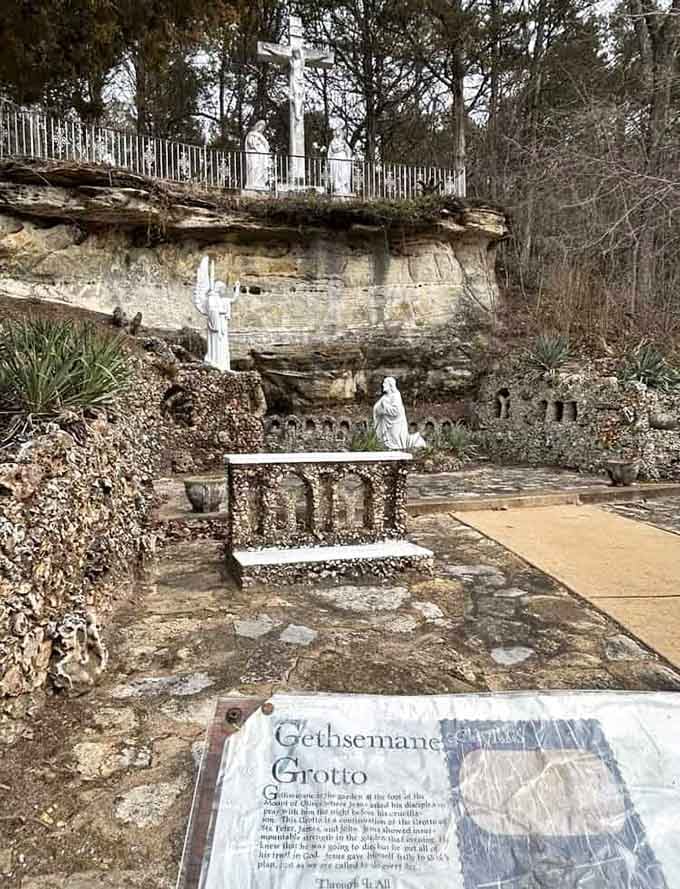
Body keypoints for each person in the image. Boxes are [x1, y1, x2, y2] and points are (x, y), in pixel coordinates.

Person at [373, 377, 426, 450]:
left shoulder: (396, 395)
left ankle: (415, 441)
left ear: (390, 385)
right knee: (389, 439)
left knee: (396, 438)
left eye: (385, 383)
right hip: (387, 423)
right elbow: (377, 407)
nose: (383, 385)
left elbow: (396, 411)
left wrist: (385, 407)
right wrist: (379, 409)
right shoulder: (384, 397)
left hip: (396, 422)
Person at [245, 120, 271, 190]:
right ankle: (252, 183)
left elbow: (266, 145)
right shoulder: (251, 134)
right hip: (254, 153)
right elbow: (250, 142)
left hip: (261, 155)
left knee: (261, 168)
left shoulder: (262, 136)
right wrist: (257, 144)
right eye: (260, 126)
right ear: (257, 126)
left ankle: (260, 183)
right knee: (254, 167)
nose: (261, 128)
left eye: (263, 127)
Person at [328, 124, 353, 195]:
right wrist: (342, 148)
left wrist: (347, 155)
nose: (338, 133)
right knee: (337, 174)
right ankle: (338, 188)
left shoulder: (344, 142)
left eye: (339, 131)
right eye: (337, 131)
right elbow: (333, 149)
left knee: (344, 174)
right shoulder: (333, 141)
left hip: (343, 159)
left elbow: (349, 151)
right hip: (336, 159)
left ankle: (344, 188)